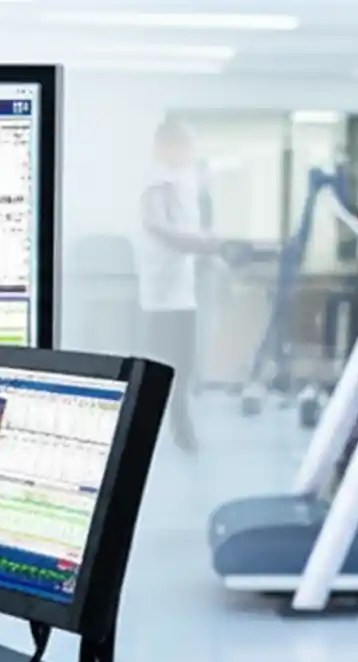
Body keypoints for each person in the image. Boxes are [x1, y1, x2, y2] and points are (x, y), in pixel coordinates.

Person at [136, 118, 218, 454]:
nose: (188, 152)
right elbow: (158, 227)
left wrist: (203, 244)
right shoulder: (155, 182)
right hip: (161, 294)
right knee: (161, 368)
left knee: (183, 366)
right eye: (182, 144)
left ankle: (181, 428)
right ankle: (154, 431)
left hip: (181, 291)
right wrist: (199, 244)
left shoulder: (185, 179)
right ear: (164, 146)